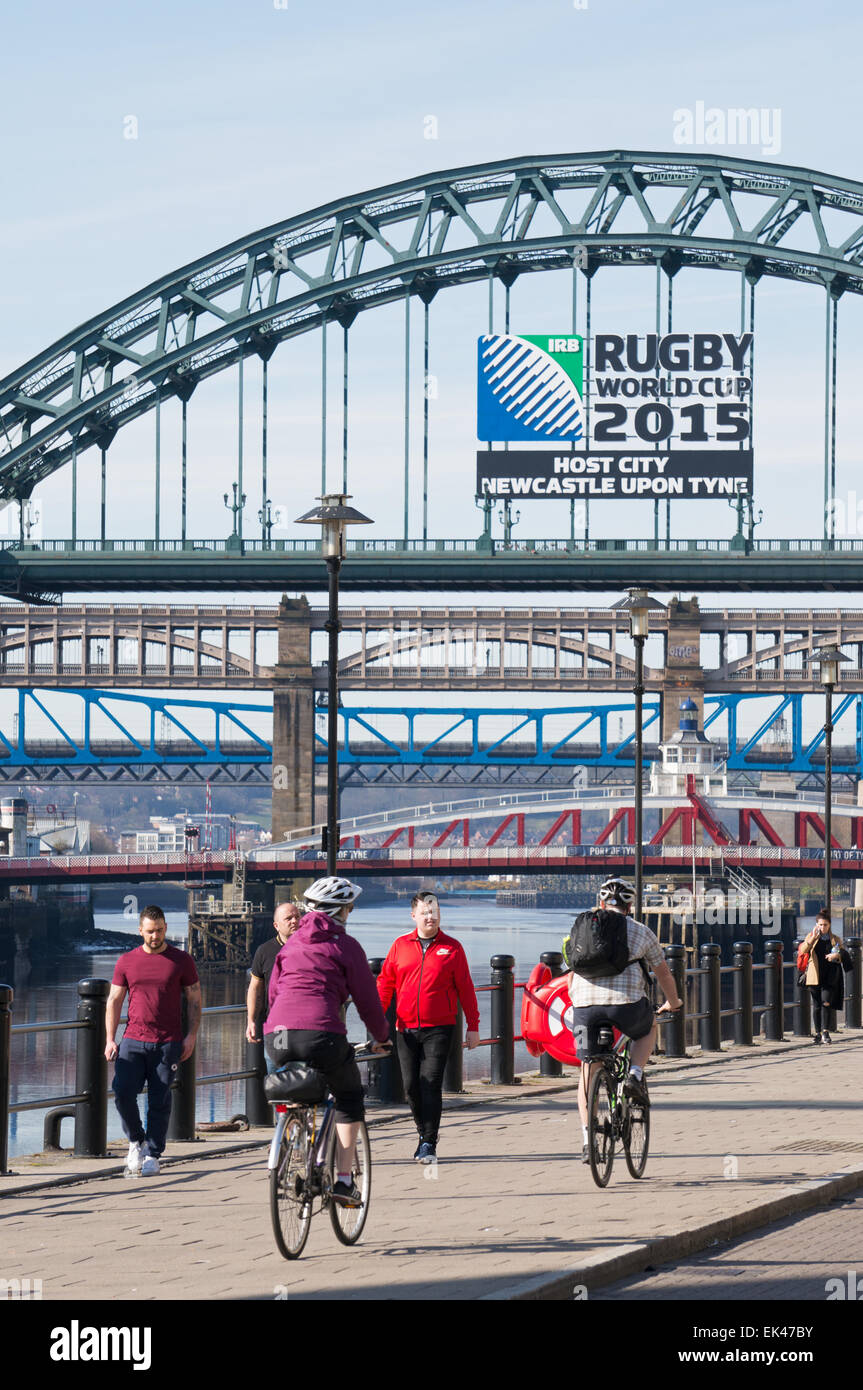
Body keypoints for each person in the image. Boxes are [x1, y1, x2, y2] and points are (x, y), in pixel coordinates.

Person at [264, 876, 390, 1205]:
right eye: (349, 908)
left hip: (275, 1035)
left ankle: (297, 1141)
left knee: (296, 1085)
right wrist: (382, 1037)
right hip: (320, 1032)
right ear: (340, 912)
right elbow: (367, 1001)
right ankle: (344, 1182)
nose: (350, 914)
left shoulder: (290, 945)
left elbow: (274, 991)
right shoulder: (345, 946)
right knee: (349, 1097)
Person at [563, 877, 681, 1164]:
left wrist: (579, 1002)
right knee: (648, 1026)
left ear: (601, 903)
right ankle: (635, 1075)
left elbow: (571, 971)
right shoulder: (641, 931)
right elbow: (663, 973)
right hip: (626, 1006)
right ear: (630, 905)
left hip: (584, 1007)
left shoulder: (582, 928)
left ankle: (587, 1140)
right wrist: (674, 1002)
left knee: (588, 1070)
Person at [377, 890, 480, 1164]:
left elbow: (466, 989)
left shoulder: (453, 948)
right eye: (424, 912)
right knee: (411, 1086)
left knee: (431, 1083)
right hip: (405, 1029)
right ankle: (422, 1133)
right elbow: (385, 984)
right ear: (414, 915)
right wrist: (375, 1019)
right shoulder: (400, 945)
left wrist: (473, 1026)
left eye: (433, 912)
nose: (429, 916)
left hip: (440, 1027)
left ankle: (428, 1143)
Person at [105, 905, 201, 1177]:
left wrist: (191, 1035)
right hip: (132, 1040)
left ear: (166, 928)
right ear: (140, 931)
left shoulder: (181, 960)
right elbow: (113, 1001)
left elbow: (194, 1000)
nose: (155, 936)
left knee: (160, 1100)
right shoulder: (126, 961)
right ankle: (136, 1141)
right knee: (123, 1093)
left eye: (159, 930)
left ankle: (153, 1154)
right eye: (150, 931)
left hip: (167, 1042)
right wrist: (110, 1040)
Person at [245, 900, 302, 1068]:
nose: (294, 921)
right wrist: (251, 1020)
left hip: (306, 1025)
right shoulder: (265, 951)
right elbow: (255, 987)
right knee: (279, 1073)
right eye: (289, 918)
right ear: (276, 925)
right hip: (279, 1026)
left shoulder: (311, 948)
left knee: (306, 1079)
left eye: (297, 917)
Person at [801, 910, 851, 1044]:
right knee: (817, 1005)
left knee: (826, 1003)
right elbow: (803, 950)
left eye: (825, 925)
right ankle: (817, 1033)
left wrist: (836, 956)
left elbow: (843, 955)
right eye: (820, 925)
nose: (823, 927)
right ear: (816, 924)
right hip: (814, 976)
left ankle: (826, 1032)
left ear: (829, 925)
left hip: (830, 977)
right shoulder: (811, 937)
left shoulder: (835, 939)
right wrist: (812, 937)